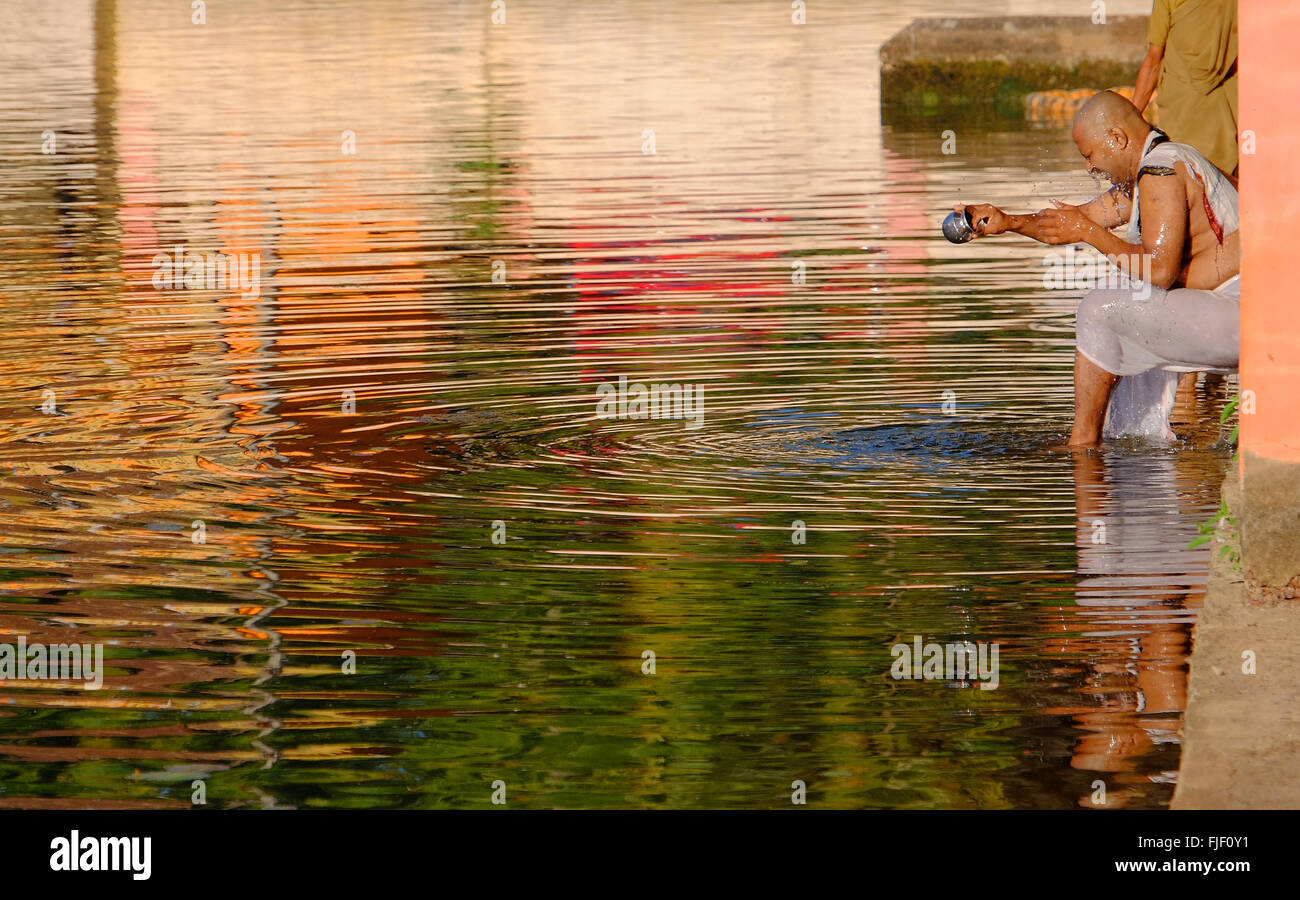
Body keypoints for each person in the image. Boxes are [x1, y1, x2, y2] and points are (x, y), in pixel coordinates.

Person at [958, 91, 1240, 447]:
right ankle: (1130, 445)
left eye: (1089, 155)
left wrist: (1090, 234)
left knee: (1099, 308)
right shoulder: (1154, 170)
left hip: (1245, 321)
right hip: (1229, 318)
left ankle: (1084, 443)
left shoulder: (1161, 172)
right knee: (1118, 291)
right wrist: (1008, 221)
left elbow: (1158, 271)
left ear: (1118, 138)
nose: (1089, 168)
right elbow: (1073, 221)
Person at [1131, 0, 1239, 178]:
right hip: (1225, 108)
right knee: (1228, 189)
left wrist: (1130, 118)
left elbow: (1153, 61)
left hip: (1183, 108)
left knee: (1182, 181)